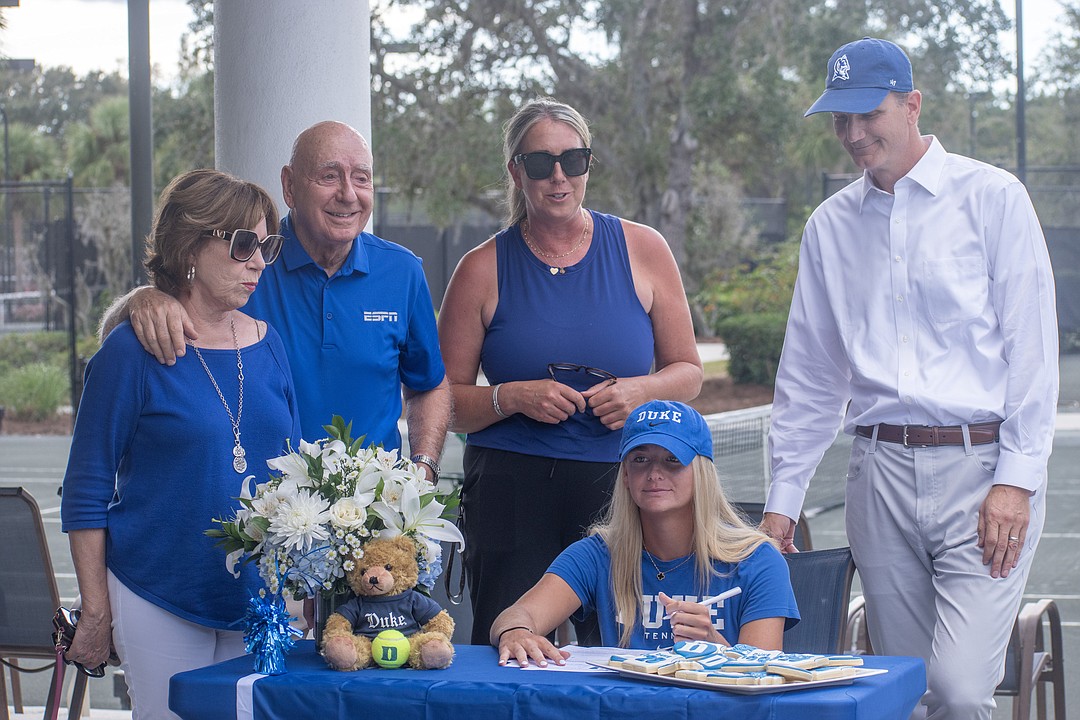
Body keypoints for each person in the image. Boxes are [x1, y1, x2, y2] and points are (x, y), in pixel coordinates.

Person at [762, 38, 1058, 719]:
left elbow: (1034, 356)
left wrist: (1015, 481)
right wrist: (781, 506)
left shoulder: (993, 199)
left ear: (911, 104)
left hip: (982, 473)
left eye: (869, 113)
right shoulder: (829, 227)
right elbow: (809, 379)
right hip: (879, 475)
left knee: (957, 689)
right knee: (904, 688)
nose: (855, 133)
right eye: (841, 120)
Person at [438, 97, 703, 645]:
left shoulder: (643, 248)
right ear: (516, 171)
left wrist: (642, 392)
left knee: (626, 647)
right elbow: (440, 401)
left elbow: (689, 373)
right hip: (511, 488)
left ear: (588, 164)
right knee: (509, 646)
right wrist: (510, 397)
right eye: (540, 164)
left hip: (620, 486)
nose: (558, 177)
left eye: (573, 161)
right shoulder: (481, 268)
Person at [61, 169, 303, 719]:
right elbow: (86, 486)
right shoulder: (131, 352)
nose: (259, 261)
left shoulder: (269, 345)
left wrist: (298, 587)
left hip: (257, 599)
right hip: (158, 591)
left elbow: (295, 474)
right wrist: (96, 611)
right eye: (243, 244)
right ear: (189, 245)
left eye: (266, 245)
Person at [100, 121, 450, 481]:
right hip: (257, 516)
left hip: (369, 519)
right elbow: (126, 340)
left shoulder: (402, 271)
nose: (348, 193)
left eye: (361, 178)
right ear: (289, 186)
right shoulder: (244, 261)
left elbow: (430, 385)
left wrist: (423, 468)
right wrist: (141, 299)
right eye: (329, 176)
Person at [491, 400, 799, 667]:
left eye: (672, 460)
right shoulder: (598, 553)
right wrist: (517, 633)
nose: (654, 473)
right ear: (625, 475)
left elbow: (764, 679)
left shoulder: (758, 559)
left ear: (701, 472)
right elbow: (516, 615)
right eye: (640, 459)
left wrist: (714, 645)